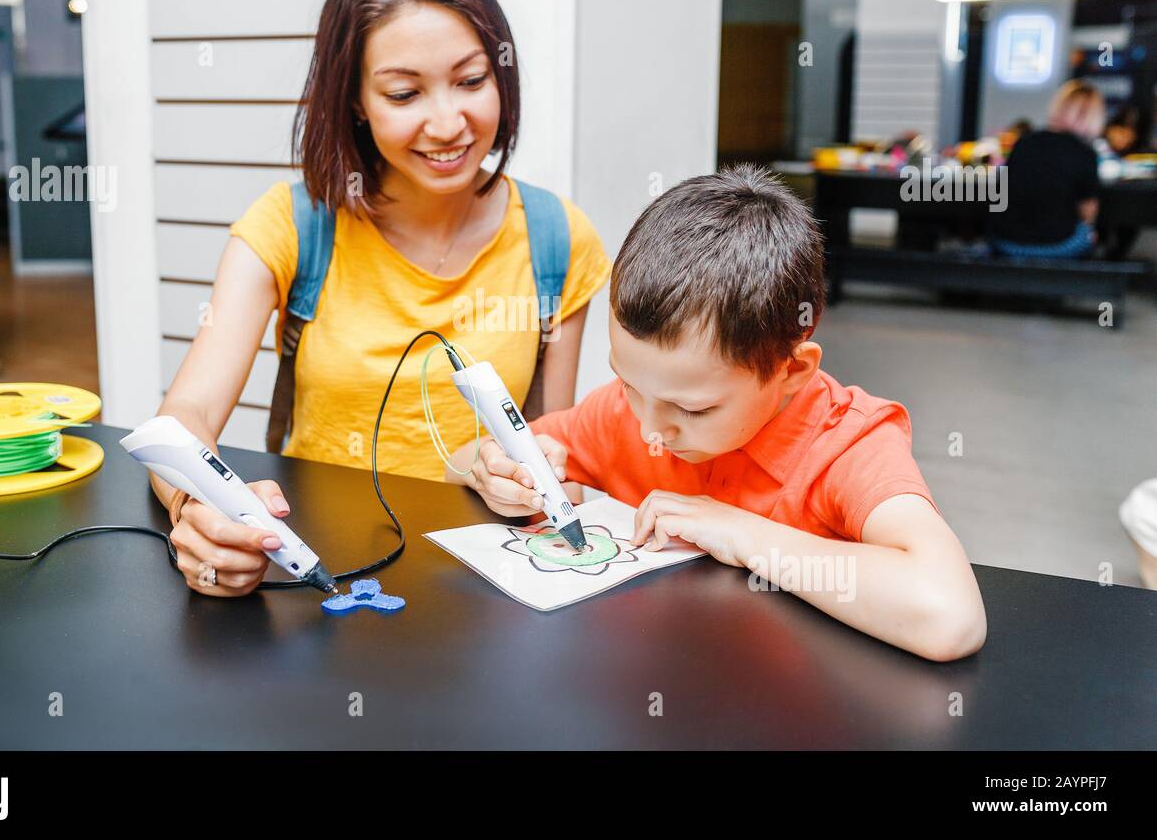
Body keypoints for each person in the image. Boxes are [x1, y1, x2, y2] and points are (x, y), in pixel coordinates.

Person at [151, 0, 610, 597]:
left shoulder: (557, 238)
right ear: (356, 103)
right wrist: (197, 509)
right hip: (323, 583)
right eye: (404, 94)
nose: (449, 123)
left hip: (489, 590)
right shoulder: (292, 226)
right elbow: (182, 419)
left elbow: (546, 444)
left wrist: (531, 476)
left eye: (471, 80)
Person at [450, 165, 987, 662]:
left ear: (791, 371)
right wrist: (495, 470)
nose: (650, 427)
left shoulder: (849, 444)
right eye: (627, 381)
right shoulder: (625, 411)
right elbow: (467, 457)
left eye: (694, 408)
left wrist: (742, 533)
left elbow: (949, 616)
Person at [987, 80, 1105, 259]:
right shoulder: (1085, 153)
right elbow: (1088, 212)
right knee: (1087, 234)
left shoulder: (1024, 142)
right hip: (1056, 246)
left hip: (1005, 242)